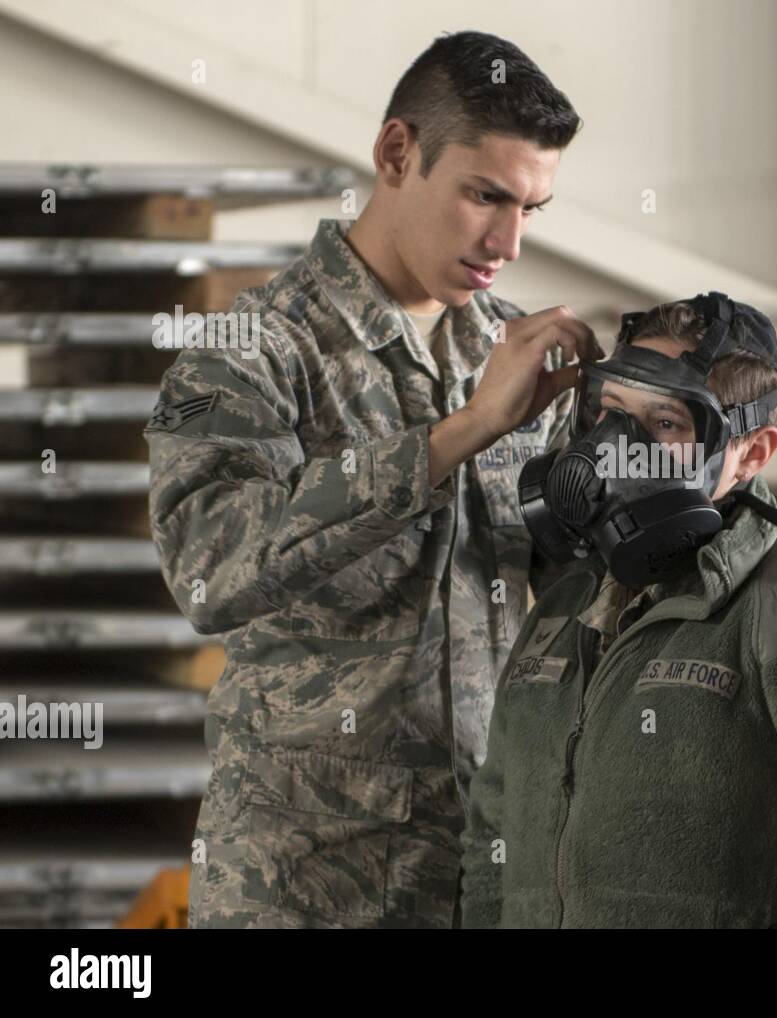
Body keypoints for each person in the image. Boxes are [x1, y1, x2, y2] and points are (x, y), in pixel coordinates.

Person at [145, 30, 599, 928]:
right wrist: (461, 432)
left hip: (490, 868)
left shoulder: (516, 356)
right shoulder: (251, 350)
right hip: (303, 882)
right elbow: (212, 567)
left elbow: (568, 595)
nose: (507, 242)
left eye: (530, 210)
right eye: (484, 195)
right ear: (397, 153)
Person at [459, 292, 777, 928]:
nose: (614, 449)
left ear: (753, 452)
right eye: (610, 412)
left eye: (665, 425)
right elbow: (496, 831)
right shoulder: (565, 604)